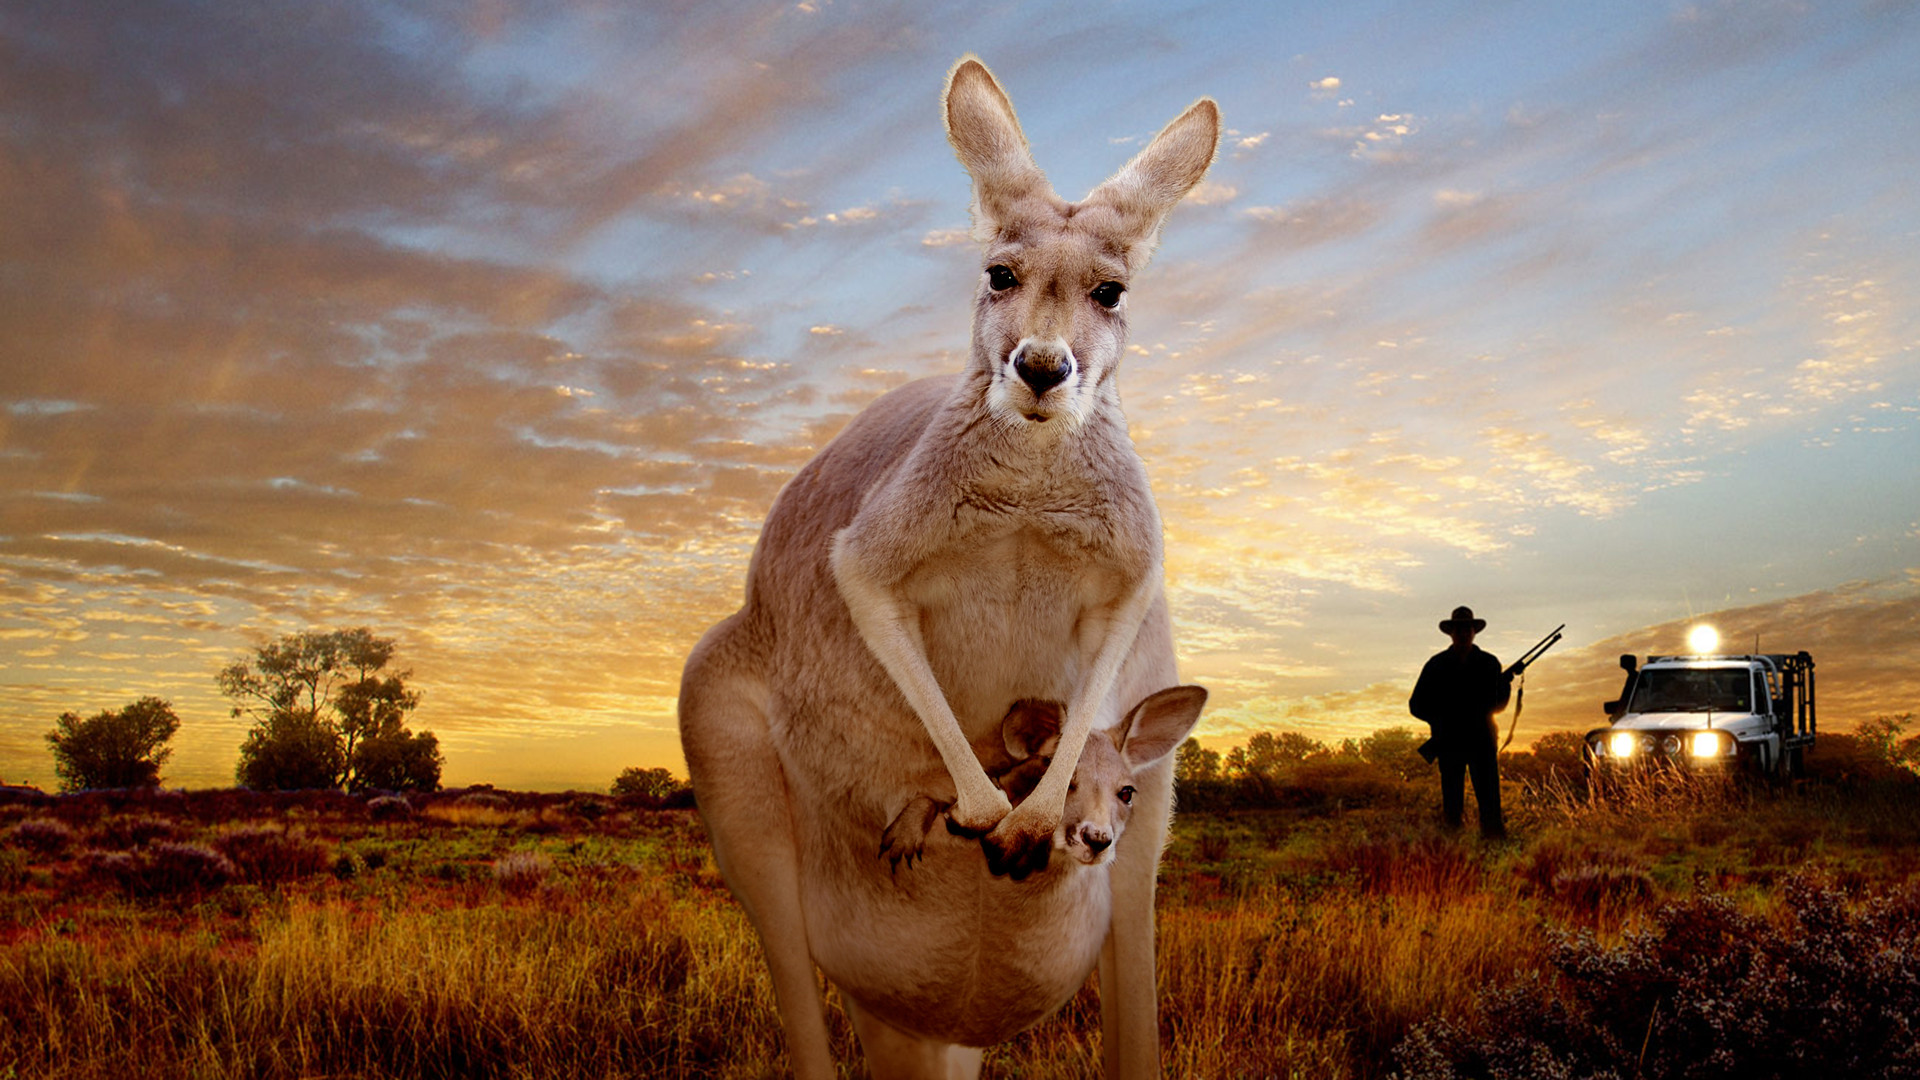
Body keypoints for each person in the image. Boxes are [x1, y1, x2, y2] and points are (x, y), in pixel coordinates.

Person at [1409, 606, 1511, 839]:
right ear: (1451, 632)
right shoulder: (1436, 665)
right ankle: (1452, 849)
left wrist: (1505, 685)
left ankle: (1494, 844)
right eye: (1459, 628)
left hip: (1482, 741)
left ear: (1474, 631)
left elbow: (1499, 706)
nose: (1464, 632)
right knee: (1452, 803)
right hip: (1449, 743)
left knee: (1489, 801)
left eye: (1468, 628)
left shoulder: (1489, 663)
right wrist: (1443, 721)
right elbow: (1416, 705)